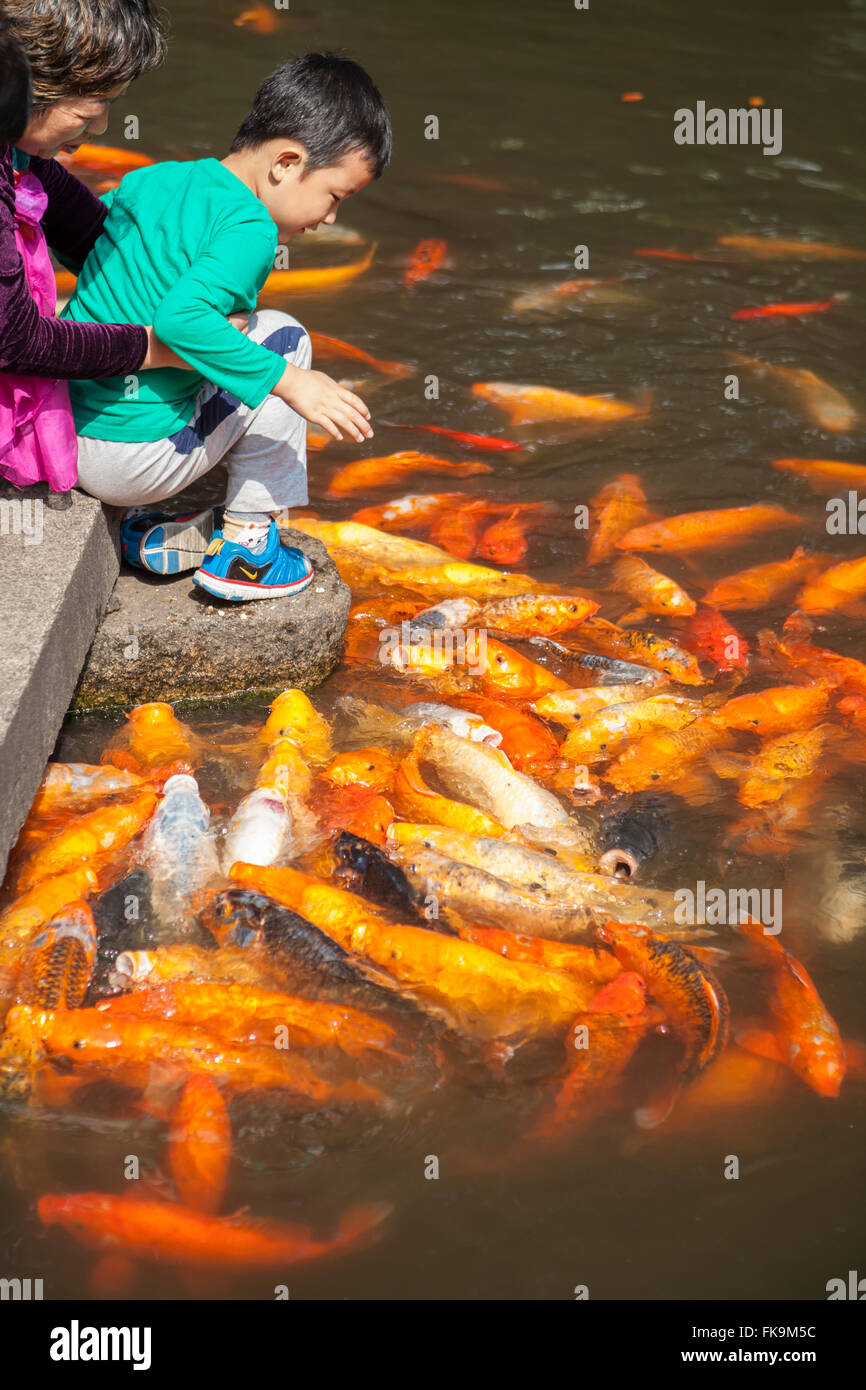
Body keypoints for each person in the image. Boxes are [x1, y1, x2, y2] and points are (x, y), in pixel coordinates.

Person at [65, 52, 391, 602]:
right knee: (286, 338)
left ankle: (154, 528)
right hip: (126, 458)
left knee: (241, 346)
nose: (330, 218)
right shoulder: (251, 228)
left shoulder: (156, 179)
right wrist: (291, 383)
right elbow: (179, 319)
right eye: (335, 197)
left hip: (64, 427)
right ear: (286, 163)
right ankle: (250, 549)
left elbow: (108, 257)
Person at [0, 0, 185, 493]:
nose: (101, 126)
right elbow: (17, 340)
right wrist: (155, 346)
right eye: (91, 108)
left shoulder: (19, 156)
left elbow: (100, 243)